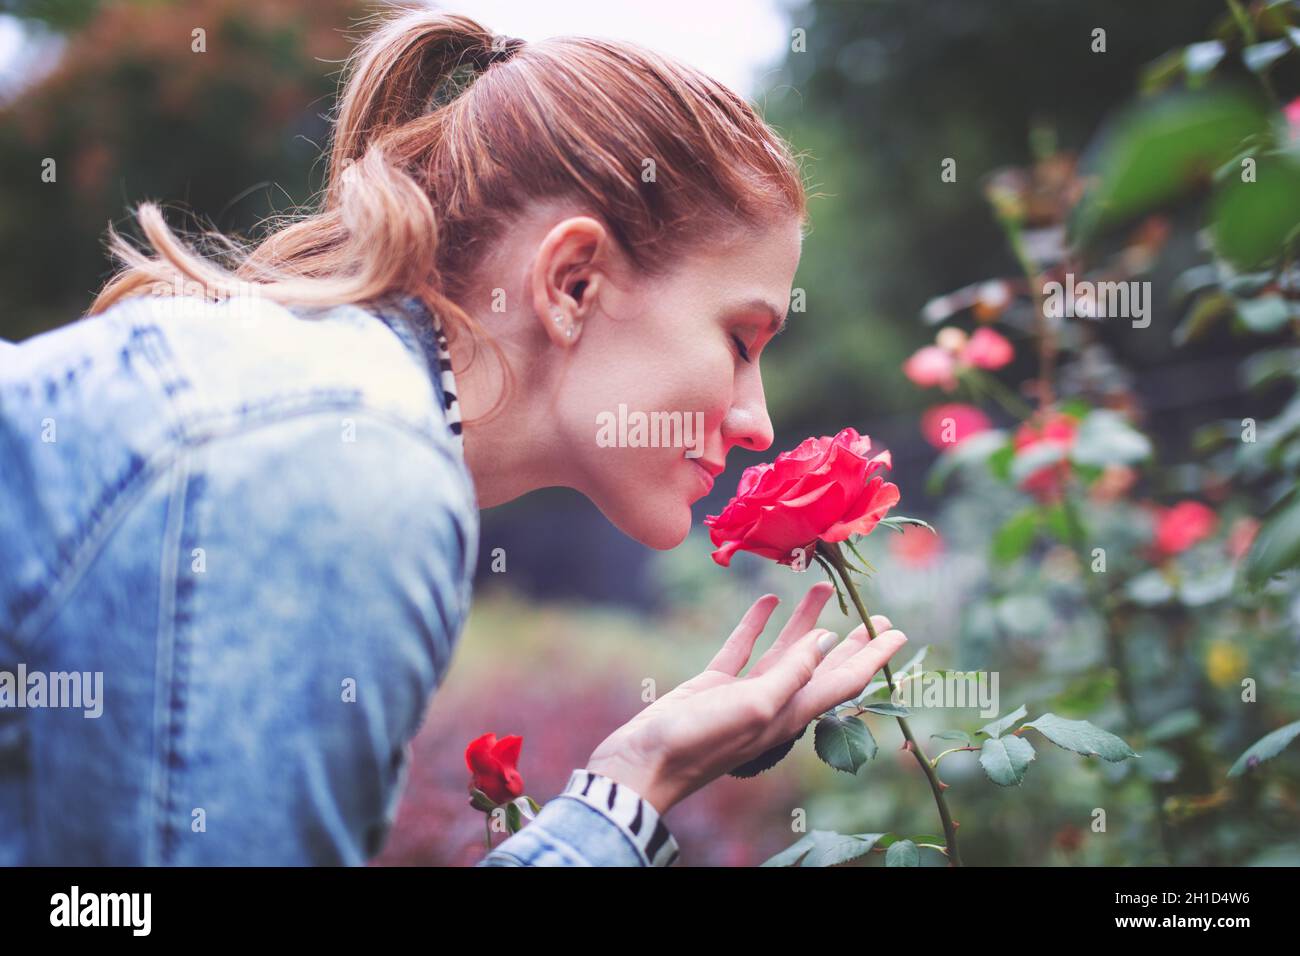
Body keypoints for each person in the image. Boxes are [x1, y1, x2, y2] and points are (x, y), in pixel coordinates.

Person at [0, 9, 907, 866]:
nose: (759, 423)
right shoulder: (340, 467)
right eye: (740, 341)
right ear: (573, 284)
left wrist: (640, 776)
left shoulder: (335, 427)